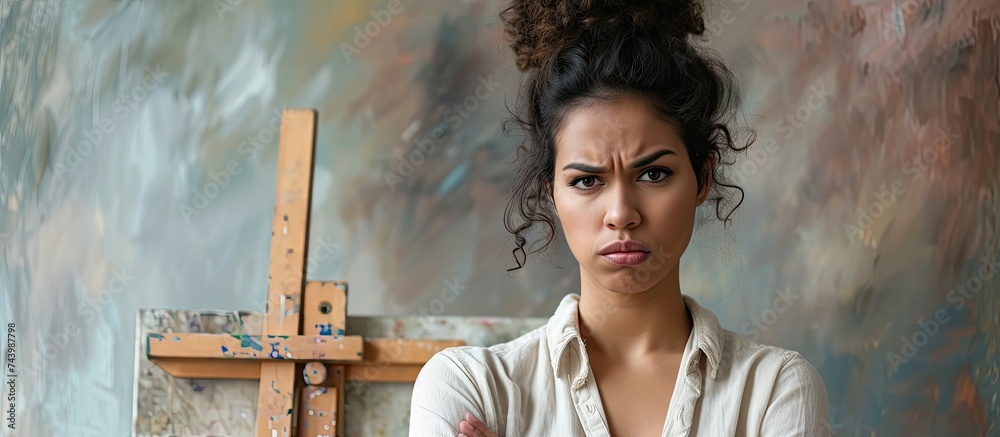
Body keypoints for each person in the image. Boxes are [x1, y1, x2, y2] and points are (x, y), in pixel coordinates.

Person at [408, 0, 830, 435]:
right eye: (587, 182)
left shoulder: (776, 390)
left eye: (653, 173)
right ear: (550, 191)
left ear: (702, 178)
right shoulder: (469, 388)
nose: (621, 214)